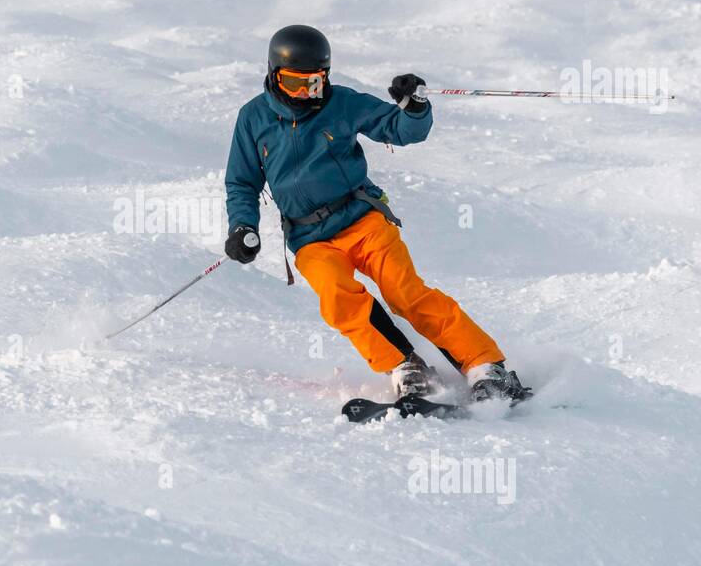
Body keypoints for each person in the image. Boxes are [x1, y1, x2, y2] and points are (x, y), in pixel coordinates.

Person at [223, 24, 528, 402]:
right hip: (310, 238)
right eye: (294, 84)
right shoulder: (252, 118)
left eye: (314, 84)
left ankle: (486, 366)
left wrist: (414, 108)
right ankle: (406, 366)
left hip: (362, 219)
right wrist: (242, 227)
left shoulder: (343, 103)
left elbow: (400, 129)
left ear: (326, 77)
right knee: (337, 298)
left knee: (405, 293)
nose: (305, 94)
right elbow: (241, 182)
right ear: (273, 75)